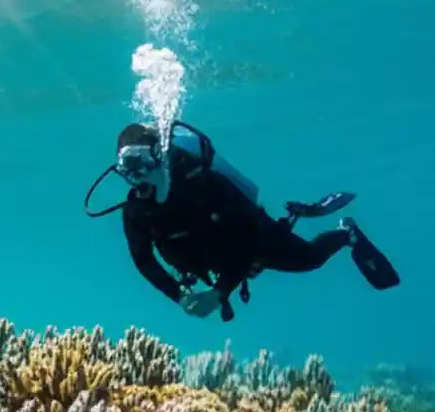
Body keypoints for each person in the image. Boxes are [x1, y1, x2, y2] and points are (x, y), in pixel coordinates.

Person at [86, 121, 400, 321]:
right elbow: (143, 260)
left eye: (141, 160)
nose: (137, 173)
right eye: (128, 167)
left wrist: (220, 292)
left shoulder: (204, 183)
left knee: (310, 259)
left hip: (248, 239)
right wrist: (178, 294)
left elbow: (248, 237)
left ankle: (347, 233)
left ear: (159, 153)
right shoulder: (137, 211)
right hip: (211, 258)